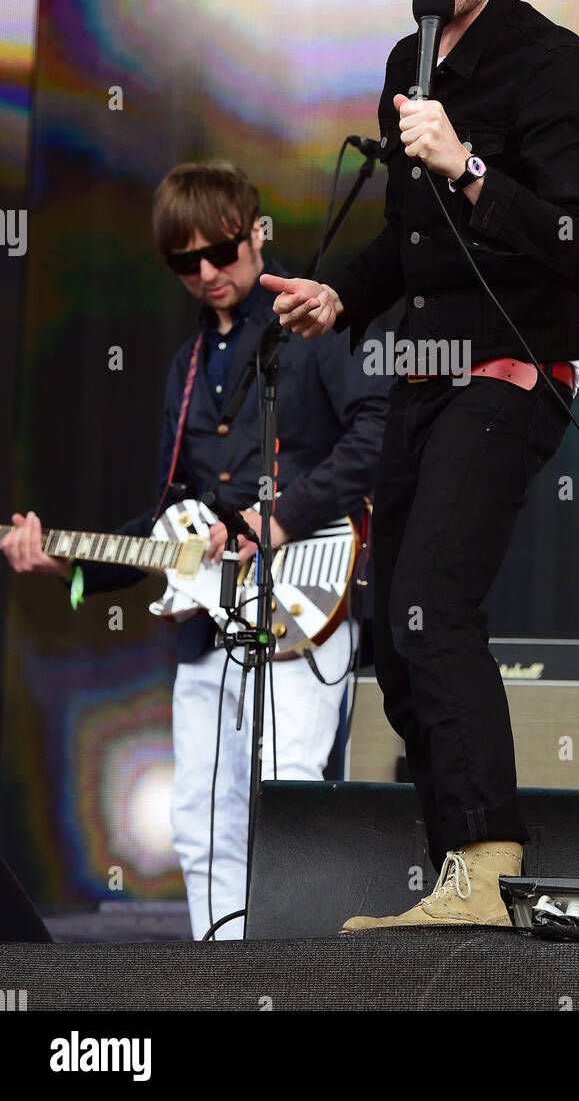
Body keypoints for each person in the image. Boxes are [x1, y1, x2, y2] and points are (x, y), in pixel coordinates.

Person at [262, 0, 579, 932]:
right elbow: (408, 247)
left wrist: (468, 166)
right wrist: (339, 297)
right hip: (421, 369)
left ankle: (487, 864)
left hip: (514, 368)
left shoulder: (553, 66)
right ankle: (450, 880)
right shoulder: (404, 67)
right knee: (392, 630)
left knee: (435, 602)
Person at [2, 161, 391, 939]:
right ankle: (221, 975)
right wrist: (72, 562)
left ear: (256, 235)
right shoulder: (184, 370)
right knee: (199, 817)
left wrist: (276, 518)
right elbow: (167, 515)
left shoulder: (309, 325)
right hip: (207, 619)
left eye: (222, 253)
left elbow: (379, 433)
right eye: (186, 263)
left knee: (290, 803)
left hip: (300, 603)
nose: (209, 274)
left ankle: (292, 980)